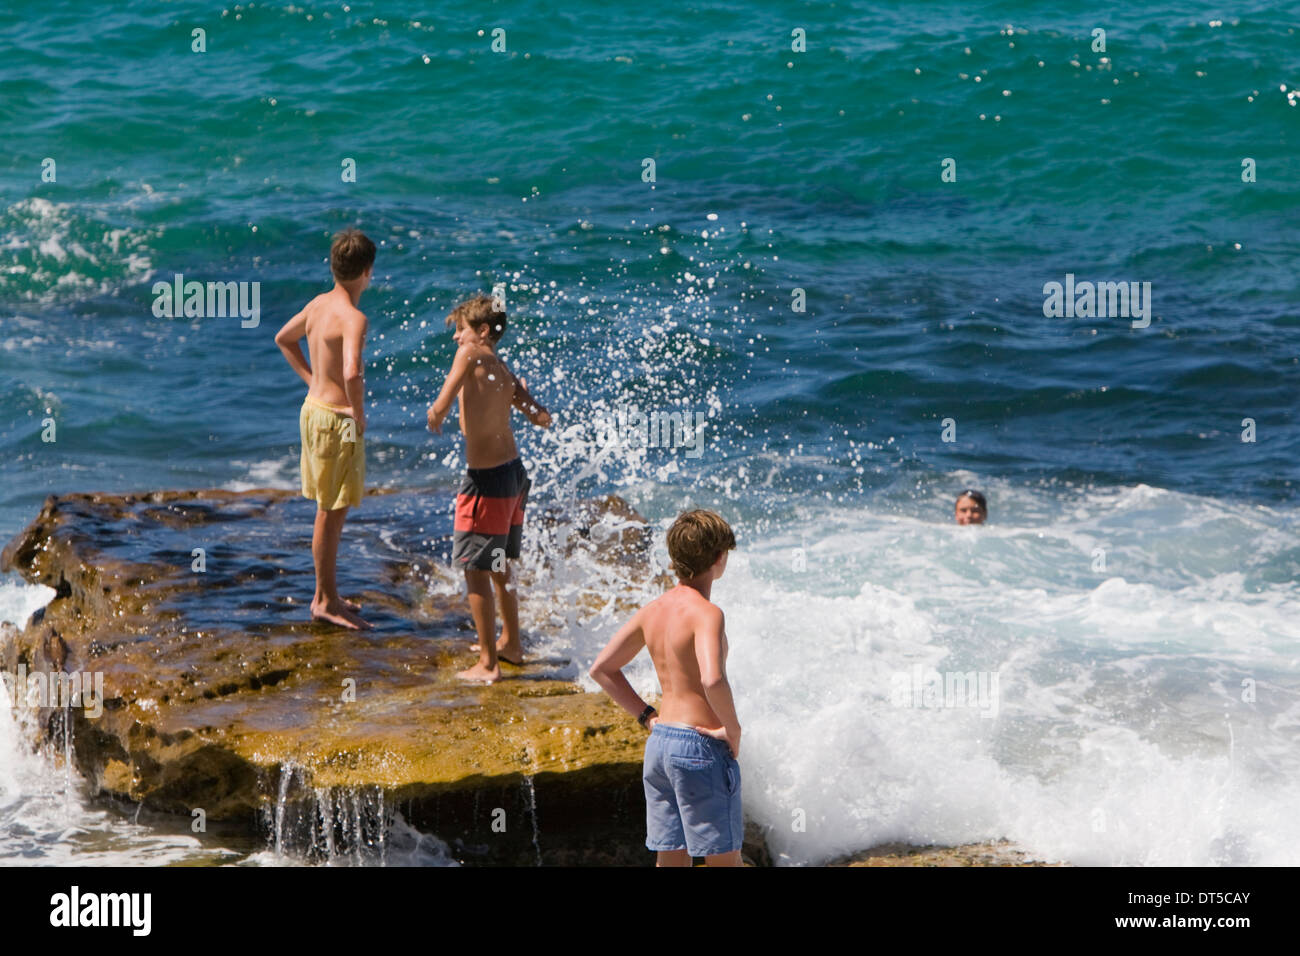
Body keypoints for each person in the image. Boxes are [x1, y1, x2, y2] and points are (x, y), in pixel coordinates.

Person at [589, 509, 743, 867]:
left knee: (670, 860)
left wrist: (647, 717)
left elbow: (603, 669)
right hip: (701, 746)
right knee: (725, 861)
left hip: (660, 747)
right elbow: (712, 679)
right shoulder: (708, 613)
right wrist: (732, 728)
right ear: (719, 560)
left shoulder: (653, 610)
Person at [427, 295, 551, 682]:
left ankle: (487, 664)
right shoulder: (503, 369)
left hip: (486, 481)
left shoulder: (471, 355)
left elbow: (442, 402)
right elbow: (542, 418)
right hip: (513, 475)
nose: (456, 340)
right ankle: (511, 643)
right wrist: (516, 392)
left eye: (461, 330)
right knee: (500, 565)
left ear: (481, 332)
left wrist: (436, 412)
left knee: (475, 568)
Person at [274, 228, 375, 630]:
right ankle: (325, 600)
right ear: (367, 272)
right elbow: (352, 371)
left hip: (313, 408)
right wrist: (358, 411)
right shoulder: (354, 317)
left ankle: (326, 592)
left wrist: (311, 379)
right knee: (331, 511)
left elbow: (284, 338)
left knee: (328, 506)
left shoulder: (317, 305)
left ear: (334, 268)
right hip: (337, 418)